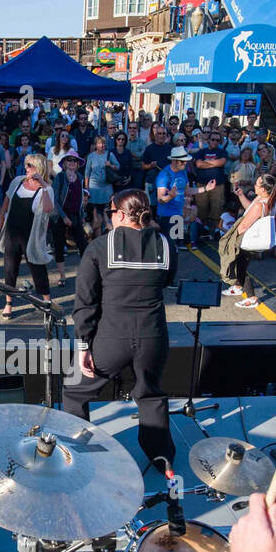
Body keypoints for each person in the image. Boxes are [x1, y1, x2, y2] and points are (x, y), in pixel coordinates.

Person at [63, 188, 177, 468]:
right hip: (153, 336)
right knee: (150, 394)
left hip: (111, 337)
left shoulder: (99, 246)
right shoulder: (166, 244)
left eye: (110, 212)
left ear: (122, 214)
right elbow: (166, 282)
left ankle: (76, 453)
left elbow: (85, 302)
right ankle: (162, 459)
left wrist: (82, 345)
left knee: (74, 391)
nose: (109, 217)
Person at [0, 152, 55, 317]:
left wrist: (42, 183)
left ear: (39, 168)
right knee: (9, 268)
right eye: (26, 164)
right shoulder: (18, 181)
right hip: (12, 232)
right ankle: (8, 303)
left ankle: (46, 301)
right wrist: (1, 219)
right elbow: (7, 200)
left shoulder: (47, 188)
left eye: (30, 165)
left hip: (31, 235)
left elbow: (49, 209)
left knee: (37, 268)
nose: (27, 168)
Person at [219, 173, 276, 308]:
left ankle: (251, 297)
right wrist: (241, 195)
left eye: (257, 184)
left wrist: (232, 237)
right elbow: (249, 209)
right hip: (252, 239)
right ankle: (238, 286)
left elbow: (245, 224)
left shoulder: (260, 205)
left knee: (240, 268)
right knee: (240, 264)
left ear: (263, 189)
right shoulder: (268, 200)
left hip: (246, 240)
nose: (254, 185)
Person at [156, 146, 214, 248]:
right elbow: (160, 199)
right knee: (169, 248)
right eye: (182, 161)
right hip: (167, 216)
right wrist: (170, 196)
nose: (185, 163)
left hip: (178, 215)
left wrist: (206, 189)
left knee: (176, 248)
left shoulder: (183, 172)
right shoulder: (164, 175)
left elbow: (187, 191)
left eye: (186, 161)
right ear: (174, 161)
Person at [51, 150, 87, 285]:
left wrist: (81, 215)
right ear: (64, 163)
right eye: (69, 160)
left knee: (82, 244)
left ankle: (85, 274)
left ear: (78, 164)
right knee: (59, 245)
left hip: (74, 214)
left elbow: (79, 200)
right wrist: (64, 217)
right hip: (59, 215)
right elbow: (54, 200)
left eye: (75, 160)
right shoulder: (60, 177)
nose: (72, 163)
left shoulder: (80, 177)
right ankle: (62, 276)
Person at [84, 136, 119, 236]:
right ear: (96, 145)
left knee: (107, 215)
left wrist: (110, 165)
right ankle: (93, 238)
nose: (102, 145)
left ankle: (109, 237)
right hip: (94, 188)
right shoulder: (91, 156)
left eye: (103, 143)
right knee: (96, 218)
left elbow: (118, 166)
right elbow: (87, 173)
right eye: (99, 143)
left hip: (107, 188)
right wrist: (87, 190)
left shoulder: (109, 154)